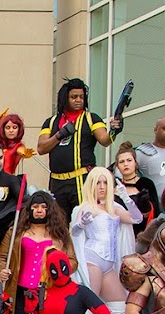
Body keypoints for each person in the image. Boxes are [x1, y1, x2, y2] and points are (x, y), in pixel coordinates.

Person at [70, 167, 140, 314]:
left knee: (119, 307)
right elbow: (75, 233)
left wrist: (126, 196)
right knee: (90, 309)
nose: (102, 187)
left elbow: (137, 218)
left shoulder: (113, 208)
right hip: (92, 260)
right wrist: (81, 224)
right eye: (98, 183)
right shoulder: (84, 208)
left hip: (109, 264)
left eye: (105, 182)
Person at [36, 78, 119, 218]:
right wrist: (60, 134)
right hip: (57, 181)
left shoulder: (91, 118)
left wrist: (114, 131)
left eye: (81, 97)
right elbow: (41, 148)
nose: (78, 100)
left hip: (81, 179)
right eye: (74, 97)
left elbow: (105, 140)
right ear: (65, 98)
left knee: (83, 219)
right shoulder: (51, 122)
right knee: (57, 223)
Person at [112, 142, 160, 236]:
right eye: (122, 162)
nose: (126, 164)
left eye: (129, 160)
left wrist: (146, 207)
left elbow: (155, 214)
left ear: (136, 163)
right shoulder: (113, 186)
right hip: (117, 234)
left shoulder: (146, 184)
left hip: (140, 235)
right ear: (117, 166)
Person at [0, 109, 35, 176]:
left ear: (19, 129)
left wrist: (25, 153)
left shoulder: (18, 146)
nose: (11, 130)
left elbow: (21, 151)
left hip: (8, 180)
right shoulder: (2, 145)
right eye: (8, 127)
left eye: (14, 127)